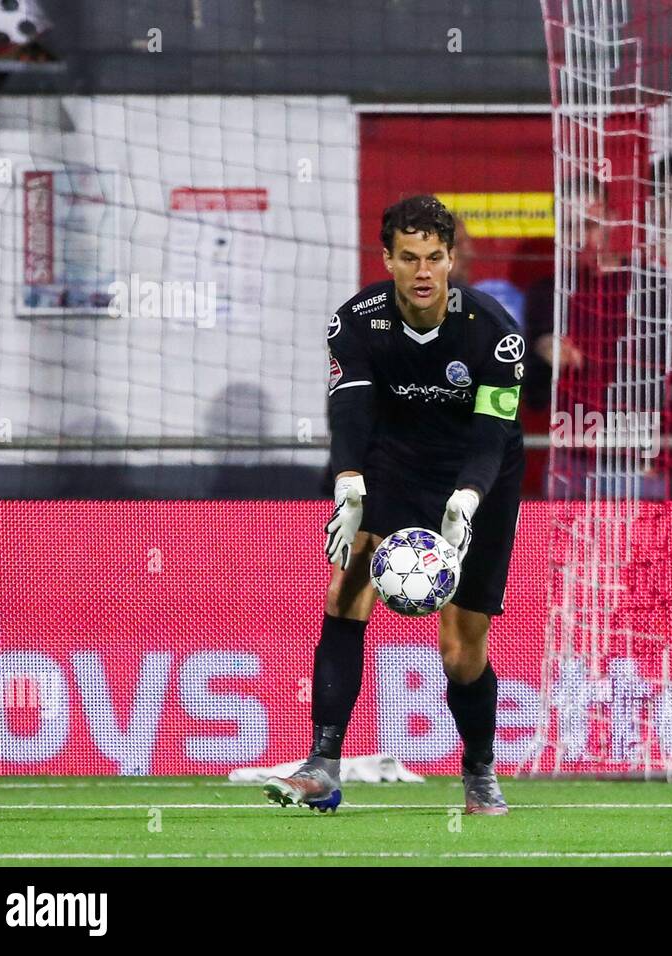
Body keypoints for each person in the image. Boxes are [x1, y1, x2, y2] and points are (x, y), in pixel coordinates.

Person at [264, 195, 525, 815]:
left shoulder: (494, 332)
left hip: (479, 475)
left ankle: (480, 771)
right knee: (346, 585)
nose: (424, 271)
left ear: (451, 259)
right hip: (395, 463)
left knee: (462, 649)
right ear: (388, 260)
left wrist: (468, 498)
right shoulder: (356, 323)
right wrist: (349, 480)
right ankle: (323, 765)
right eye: (409, 258)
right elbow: (351, 407)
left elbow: (492, 435)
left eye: (435, 257)